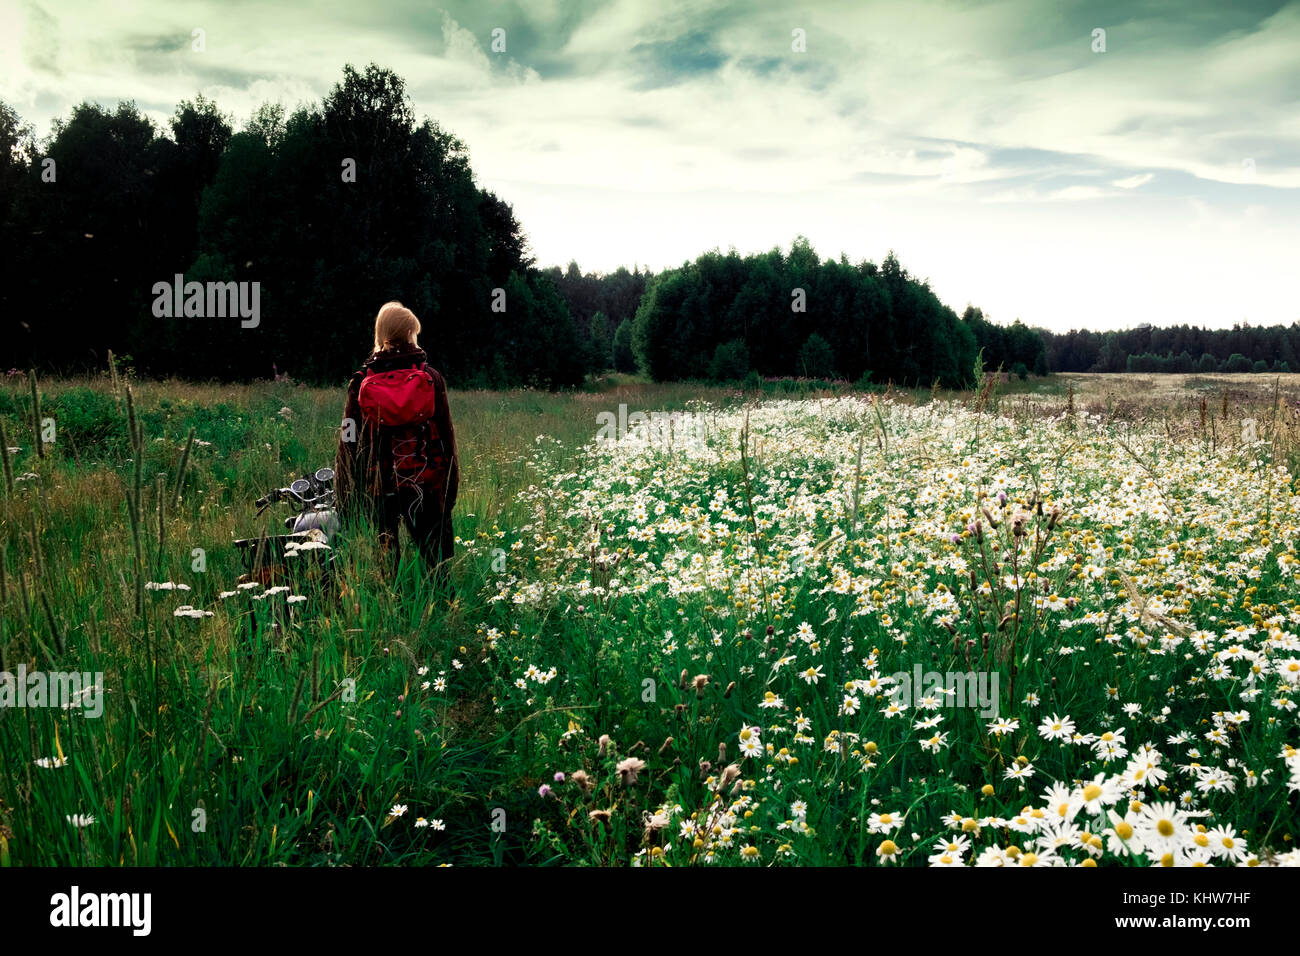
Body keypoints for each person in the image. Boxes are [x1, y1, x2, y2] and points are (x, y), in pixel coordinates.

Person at [335, 301, 459, 587]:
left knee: (386, 563)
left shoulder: (361, 381)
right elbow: (446, 436)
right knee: (437, 564)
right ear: (410, 334)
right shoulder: (431, 378)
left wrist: (347, 492)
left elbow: (348, 439)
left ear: (381, 333)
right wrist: (449, 487)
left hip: (380, 485)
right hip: (426, 483)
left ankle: (391, 613)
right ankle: (444, 610)